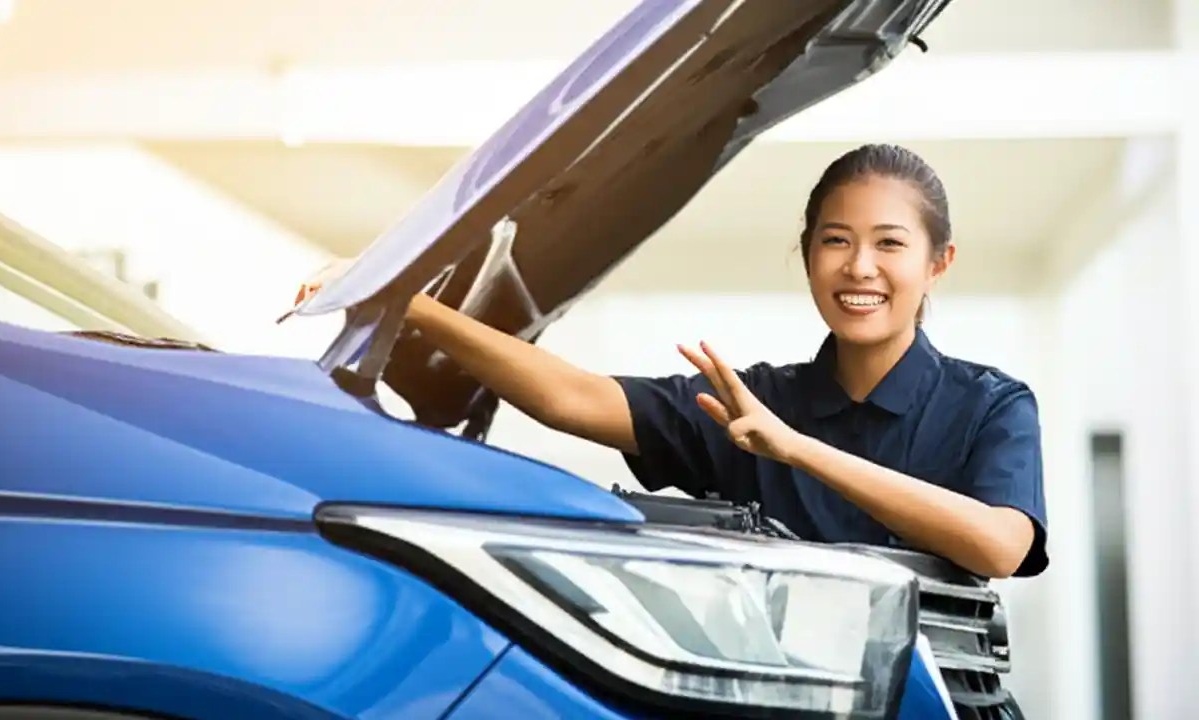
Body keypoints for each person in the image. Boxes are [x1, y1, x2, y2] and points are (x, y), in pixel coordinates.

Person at [295, 143, 1047, 580]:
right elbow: (573, 399)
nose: (859, 268)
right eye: (835, 240)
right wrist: (403, 301)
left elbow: (999, 544)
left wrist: (794, 449)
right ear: (808, 252)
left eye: (889, 244)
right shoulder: (747, 402)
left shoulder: (990, 406)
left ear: (938, 263)